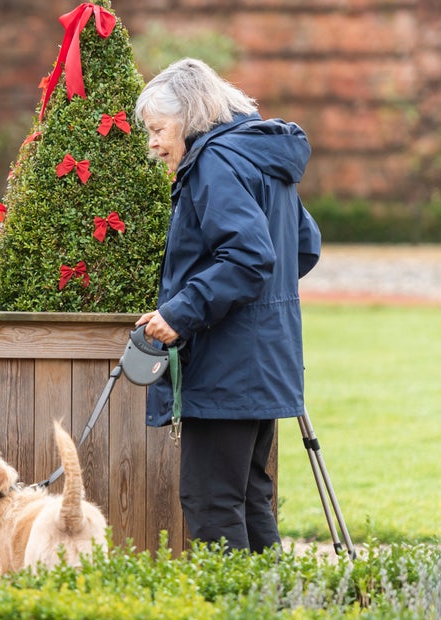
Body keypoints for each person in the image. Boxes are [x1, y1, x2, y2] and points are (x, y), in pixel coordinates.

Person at [132, 58, 322, 554]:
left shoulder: (214, 162)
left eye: (158, 129)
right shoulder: (260, 156)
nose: (152, 143)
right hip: (265, 359)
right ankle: (274, 600)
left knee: (211, 501)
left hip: (228, 365)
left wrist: (180, 312)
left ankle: (235, 604)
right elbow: (303, 247)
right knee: (250, 497)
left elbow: (248, 256)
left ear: (189, 117)